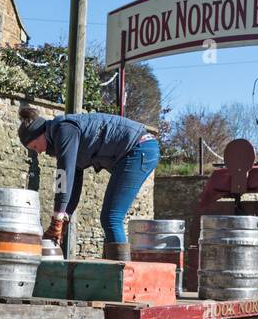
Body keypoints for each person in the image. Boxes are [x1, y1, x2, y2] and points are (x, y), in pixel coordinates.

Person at [17, 104, 160, 259]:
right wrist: (65, 216)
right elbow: (74, 180)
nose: (37, 151)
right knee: (110, 219)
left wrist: (57, 218)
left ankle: (122, 277)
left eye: (34, 146)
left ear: (39, 134)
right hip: (136, 150)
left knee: (111, 218)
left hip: (139, 148)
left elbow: (64, 174)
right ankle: (111, 271)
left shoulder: (64, 130)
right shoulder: (62, 137)